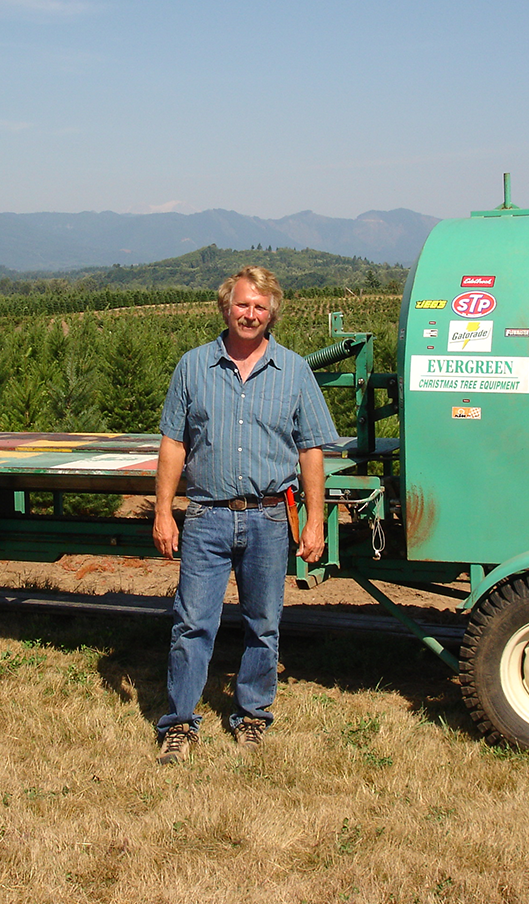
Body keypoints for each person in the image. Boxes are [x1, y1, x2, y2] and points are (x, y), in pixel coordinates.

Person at [152, 266, 338, 763]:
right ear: (225, 307)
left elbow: (311, 451)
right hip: (207, 517)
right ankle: (179, 723)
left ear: (271, 313)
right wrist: (164, 511)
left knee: (264, 623)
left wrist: (315, 521)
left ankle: (252, 714)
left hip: (270, 517)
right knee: (192, 624)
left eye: (259, 307)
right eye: (241, 305)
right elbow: (173, 442)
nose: (249, 314)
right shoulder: (193, 367)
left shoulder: (294, 371)